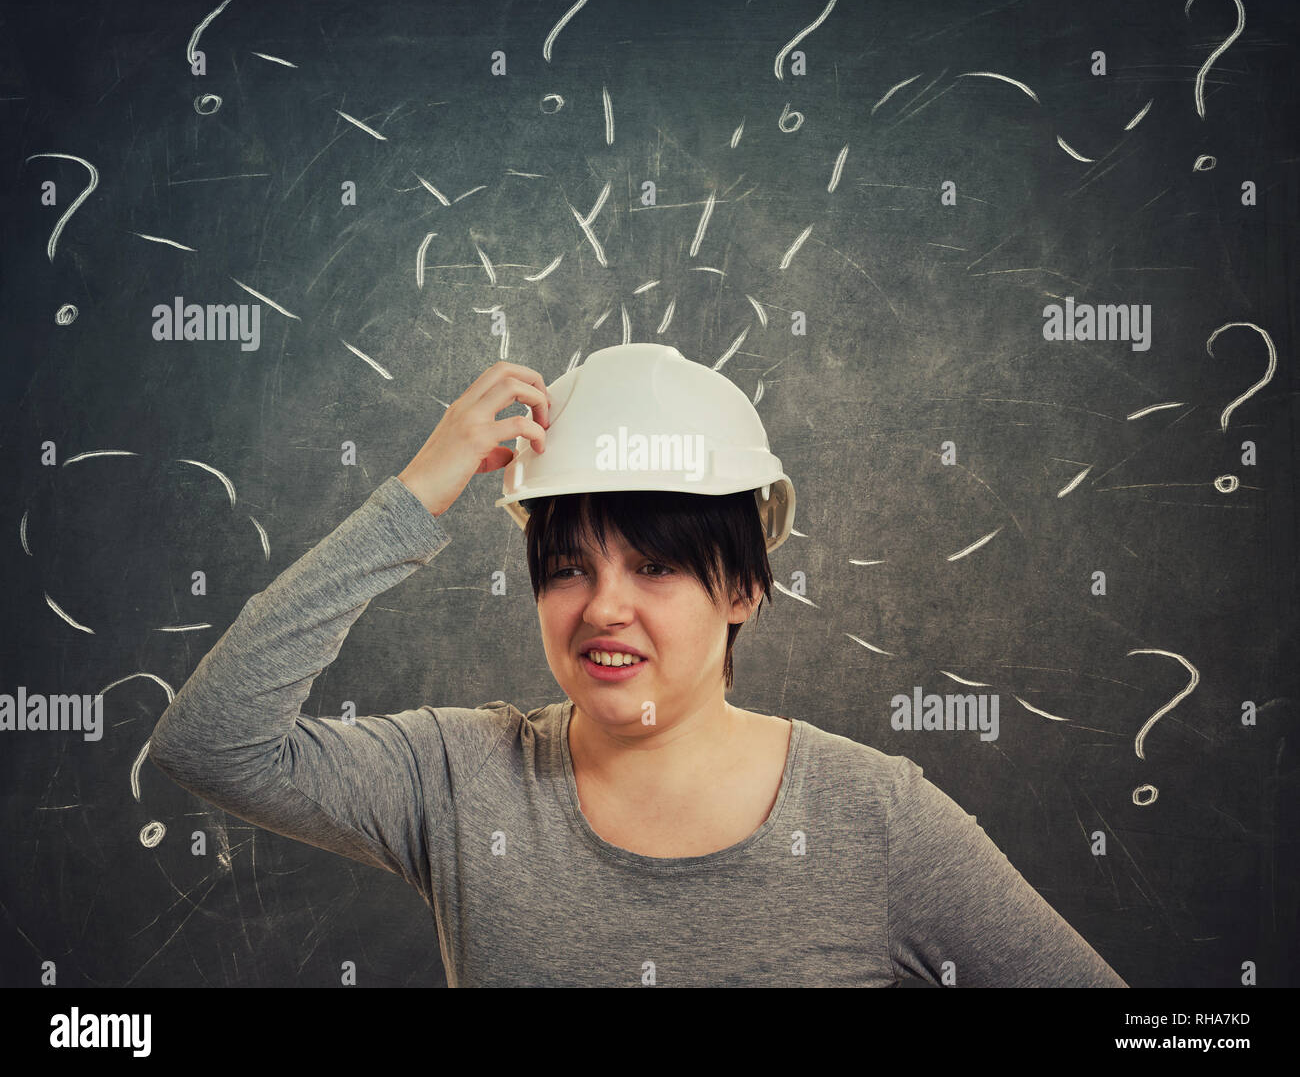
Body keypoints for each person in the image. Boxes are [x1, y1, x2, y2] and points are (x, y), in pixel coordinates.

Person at [148, 345, 1128, 988]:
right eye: (569, 567)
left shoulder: (876, 817)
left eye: (654, 566)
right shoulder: (462, 780)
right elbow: (213, 741)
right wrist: (420, 491)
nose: (603, 606)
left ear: (742, 589)